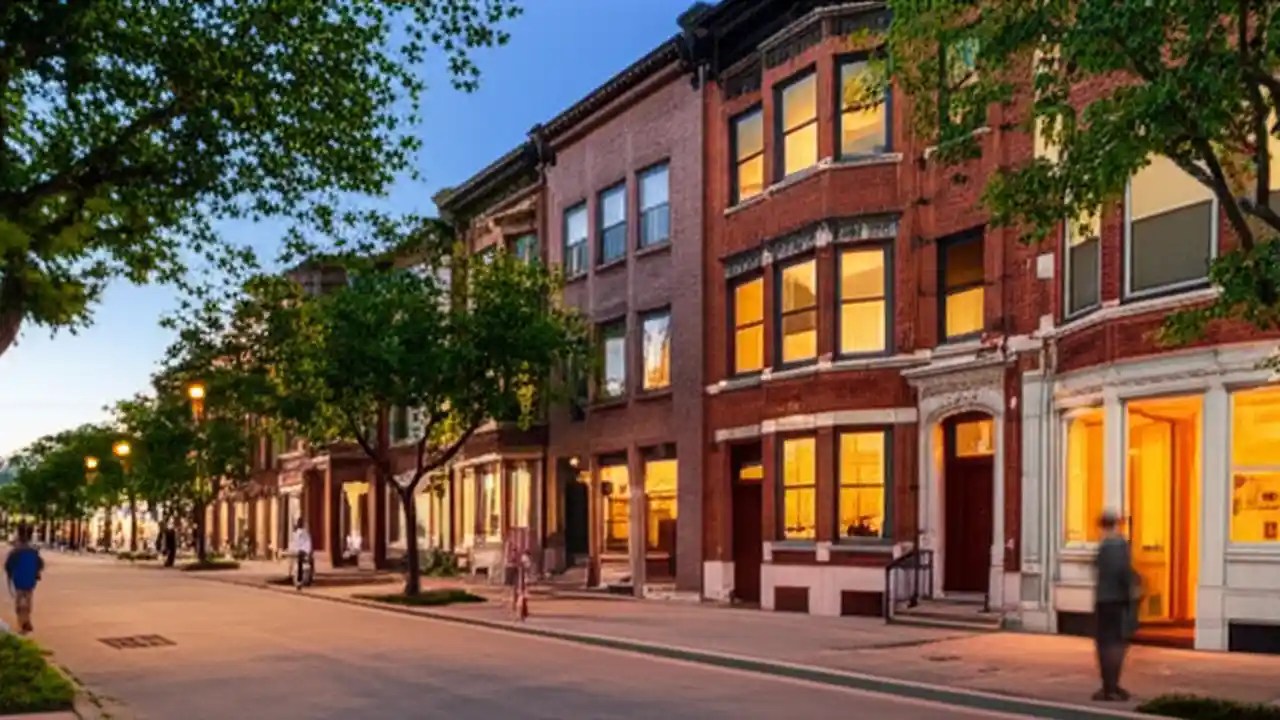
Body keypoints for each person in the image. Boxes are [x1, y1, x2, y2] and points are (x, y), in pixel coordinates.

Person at [1093, 509, 1138, 702]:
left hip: (1108, 602)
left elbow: (1119, 573)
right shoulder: (1118, 546)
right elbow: (1125, 573)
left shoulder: (1109, 546)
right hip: (1116, 602)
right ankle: (1110, 687)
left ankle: (1109, 687)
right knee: (1113, 645)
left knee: (1108, 646)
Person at [4, 524, 44, 634]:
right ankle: (26, 620)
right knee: (27, 600)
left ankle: (22, 624)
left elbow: (8, 566)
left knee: (19, 603)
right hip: (30, 581)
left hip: (19, 580)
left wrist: (9, 573)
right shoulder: (33, 551)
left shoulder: (15, 551)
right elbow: (40, 564)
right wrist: (36, 573)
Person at [290, 519, 313, 586]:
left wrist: (294, 549)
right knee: (301, 565)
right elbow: (307, 542)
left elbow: (295, 542)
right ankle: (301, 580)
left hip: (300, 551)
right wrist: (308, 551)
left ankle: (299, 580)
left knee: (299, 565)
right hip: (303, 551)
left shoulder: (297, 533)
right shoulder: (303, 532)